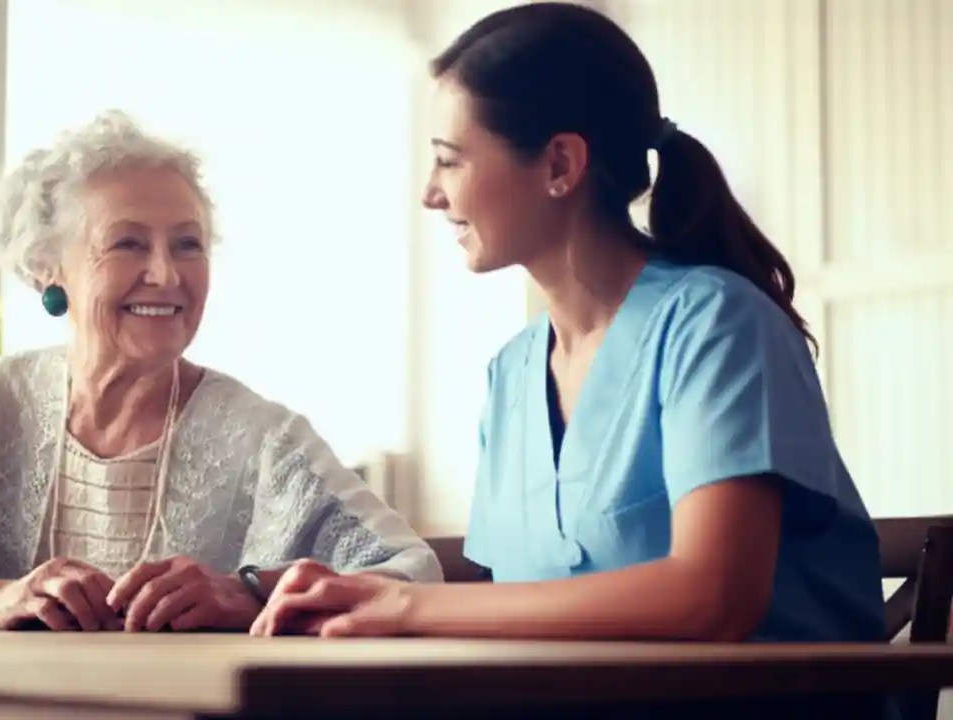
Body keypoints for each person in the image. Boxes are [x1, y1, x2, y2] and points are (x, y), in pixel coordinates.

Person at [251, 2, 885, 645]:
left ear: (560, 166)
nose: (430, 193)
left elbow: (712, 599)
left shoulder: (717, 324)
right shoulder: (513, 370)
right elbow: (515, 591)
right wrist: (270, 592)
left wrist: (408, 607)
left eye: (450, 160)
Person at [0, 111, 441, 633]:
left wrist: (249, 591)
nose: (167, 275)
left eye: (188, 244)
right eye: (129, 243)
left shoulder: (263, 436)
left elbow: (411, 570)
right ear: (46, 267)